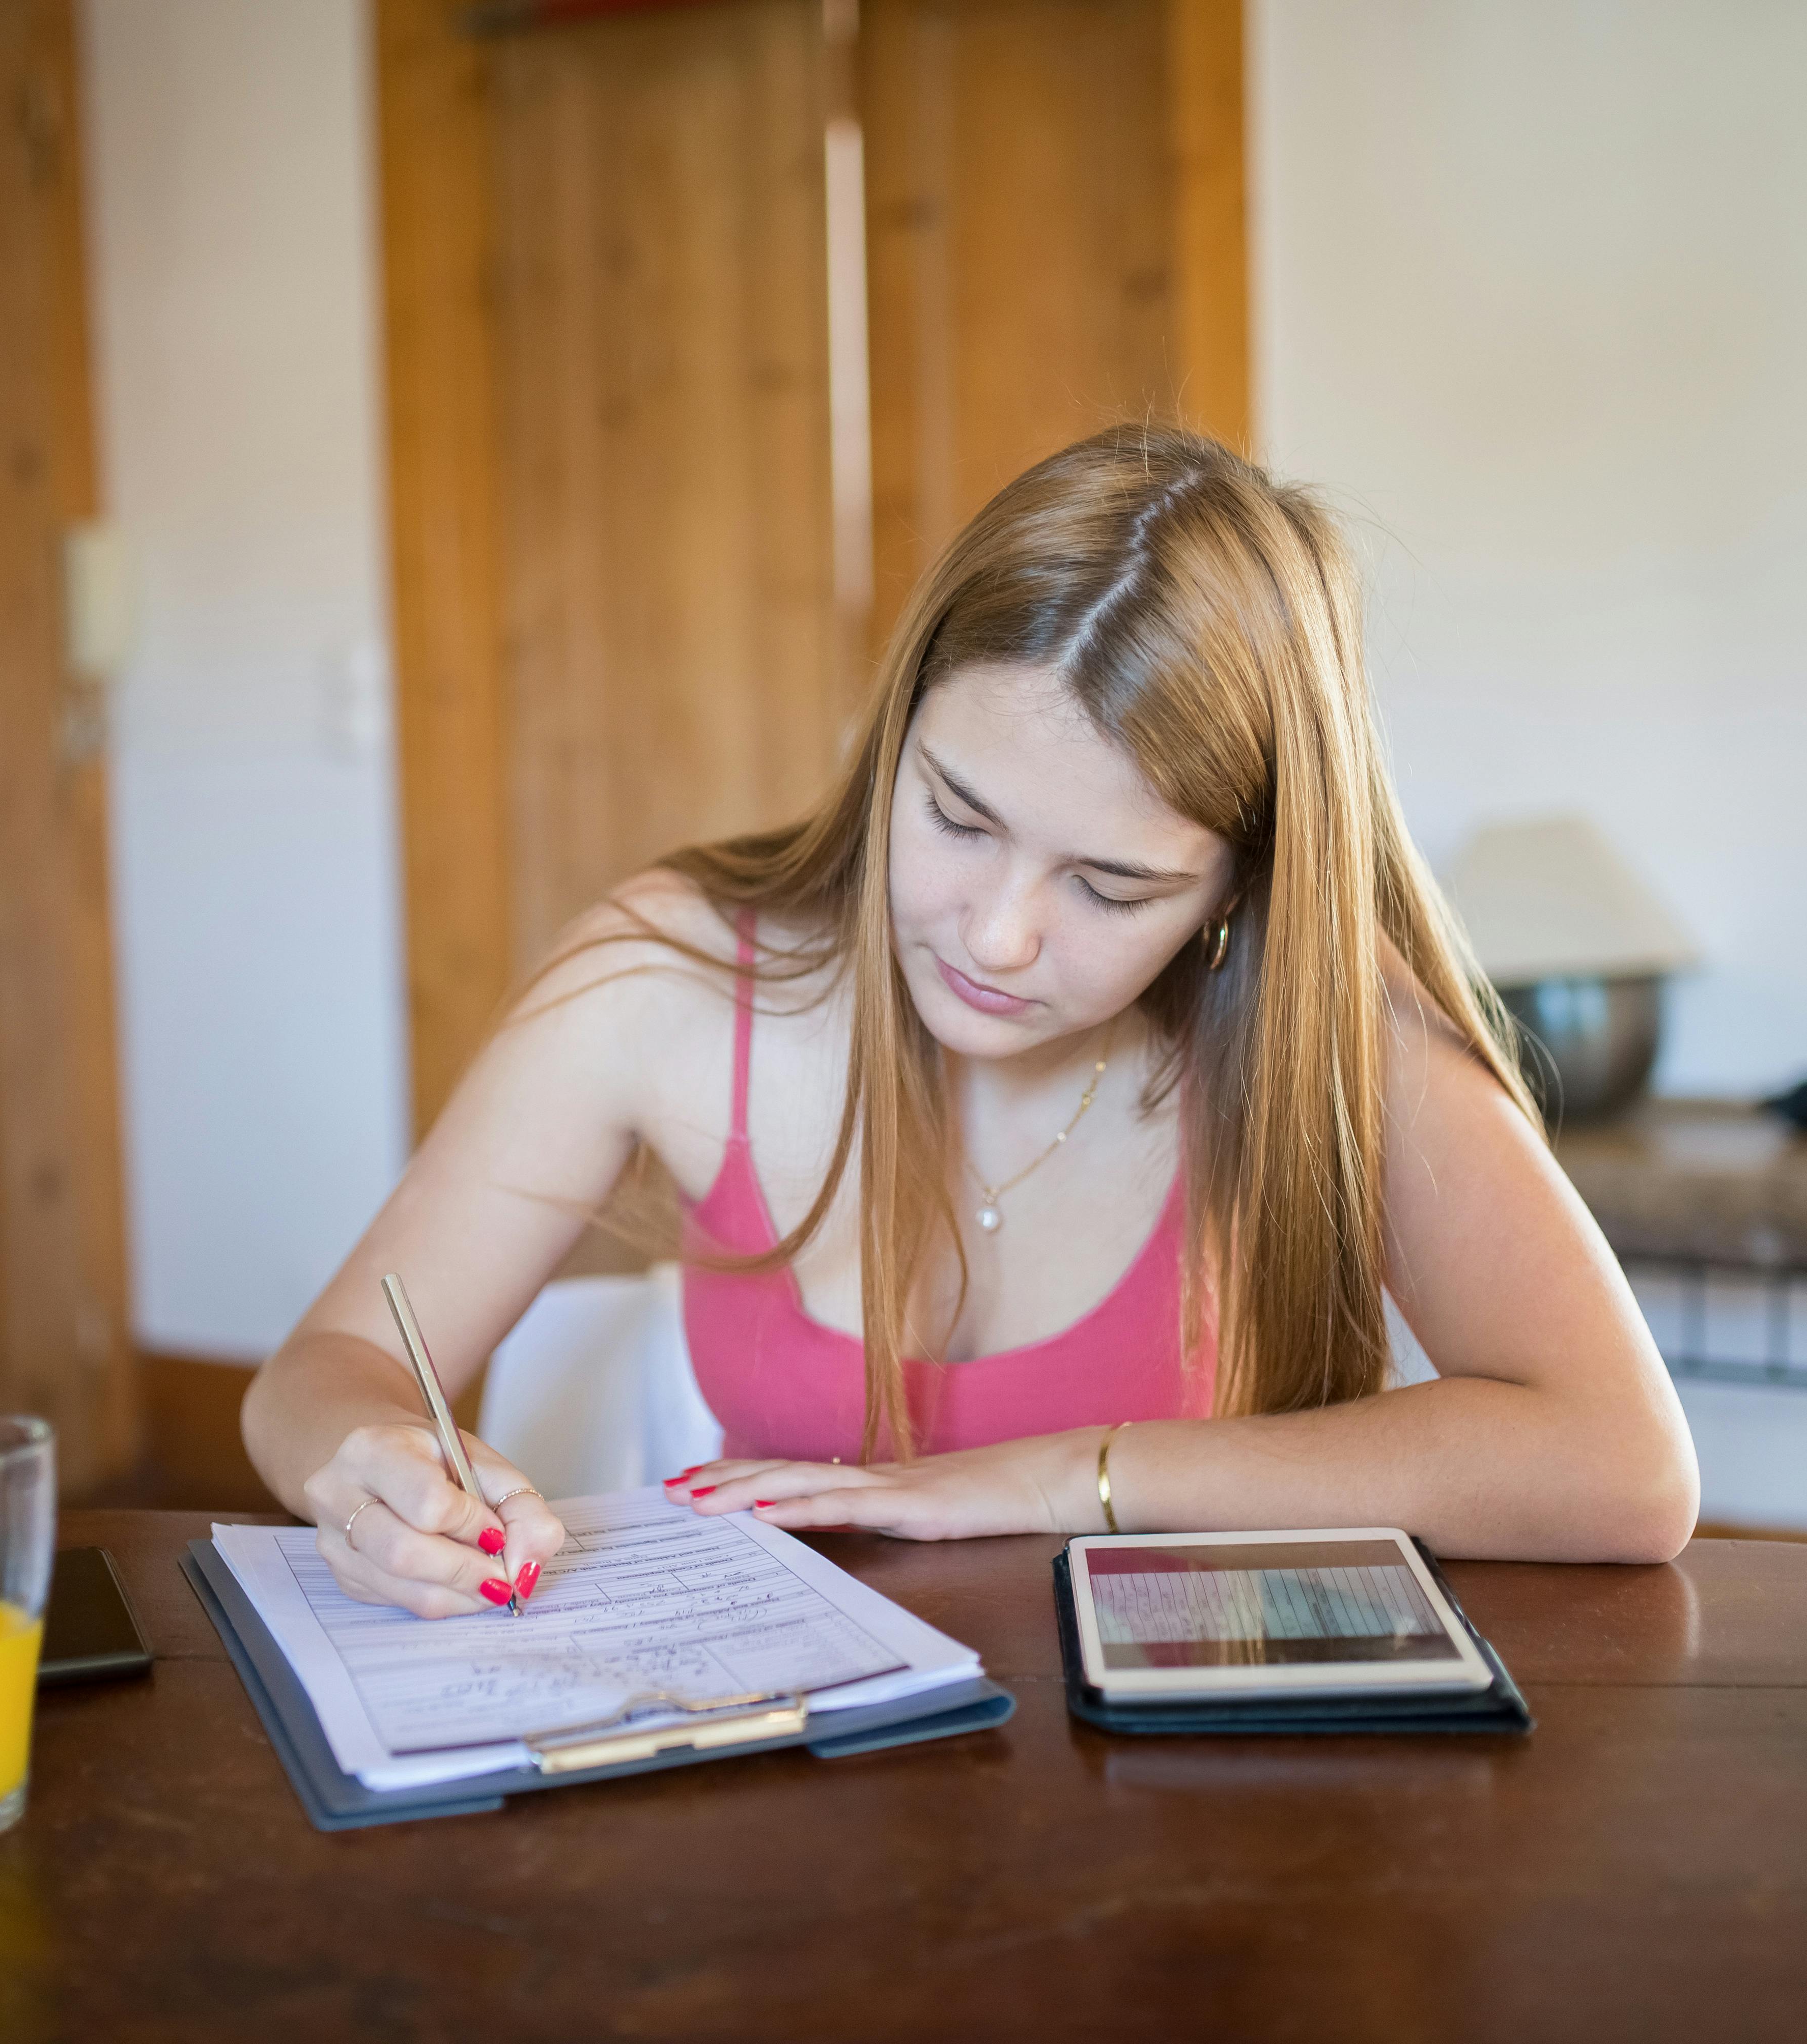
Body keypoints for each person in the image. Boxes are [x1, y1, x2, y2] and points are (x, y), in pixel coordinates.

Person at [243, 424, 1699, 1619]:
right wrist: (363, 1462)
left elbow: (1625, 1469)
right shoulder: (668, 978)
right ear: (896, 735)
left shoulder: (1334, 1034)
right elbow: (316, 1380)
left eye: (1113, 886)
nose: (999, 936)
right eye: (956, 815)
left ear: (1235, 891)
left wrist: (1061, 1480)